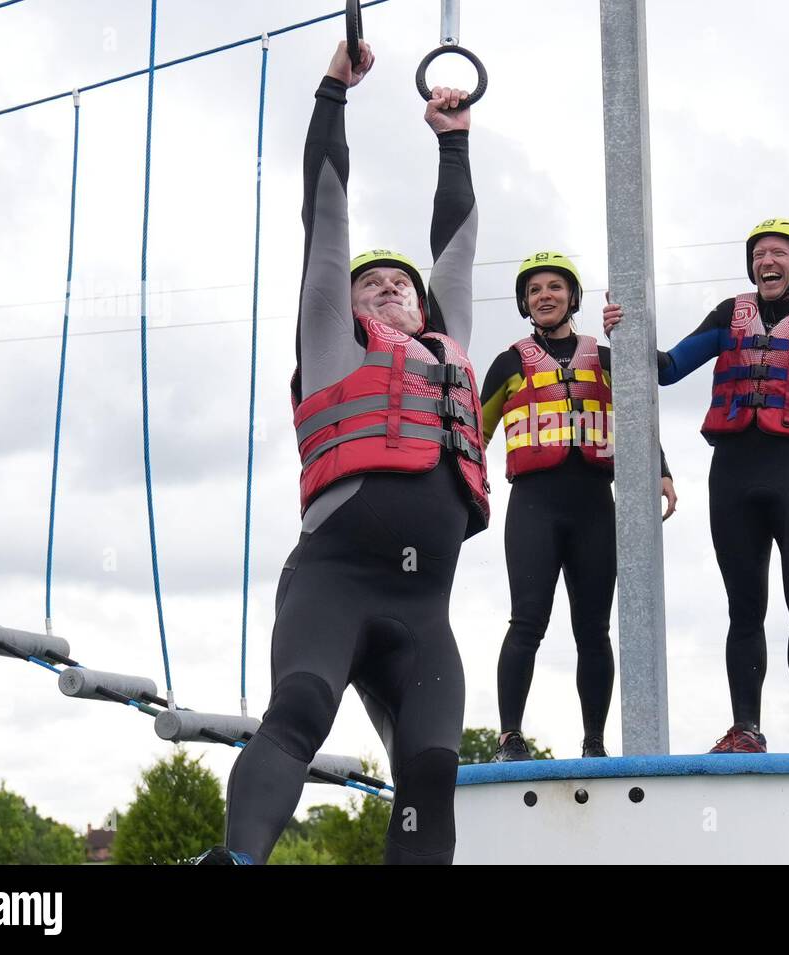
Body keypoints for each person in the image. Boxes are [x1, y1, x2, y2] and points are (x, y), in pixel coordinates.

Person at [207, 39, 487, 865]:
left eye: (402, 280)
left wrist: (454, 138)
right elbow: (326, 219)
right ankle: (240, 862)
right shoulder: (332, 340)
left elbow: (460, 246)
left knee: (432, 770)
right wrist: (334, 93)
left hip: (424, 610)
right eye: (374, 282)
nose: (390, 286)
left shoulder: (451, 349)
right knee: (299, 710)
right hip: (333, 585)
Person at [603, 218, 789, 755]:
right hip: (733, 475)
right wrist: (623, 331)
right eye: (758, 254)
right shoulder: (730, 315)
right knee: (744, 608)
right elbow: (669, 368)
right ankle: (745, 727)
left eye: (778, 253)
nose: (766, 262)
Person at [478, 252, 676, 761]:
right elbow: (473, 433)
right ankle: (510, 738)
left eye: (555, 287)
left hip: (593, 505)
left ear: (573, 297)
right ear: (525, 303)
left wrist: (661, 469)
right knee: (527, 623)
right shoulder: (511, 362)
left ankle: (594, 744)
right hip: (532, 507)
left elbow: (639, 414)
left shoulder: (607, 357)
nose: (545, 296)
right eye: (535, 290)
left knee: (594, 629)